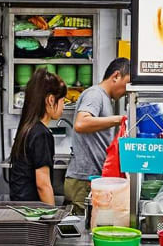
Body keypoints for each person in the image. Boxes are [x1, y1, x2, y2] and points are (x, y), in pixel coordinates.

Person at [64, 57, 131, 212]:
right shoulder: (95, 94)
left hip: (92, 178)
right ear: (116, 76)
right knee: (83, 229)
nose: (127, 90)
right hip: (83, 180)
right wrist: (119, 119)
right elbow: (81, 124)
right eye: (127, 83)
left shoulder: (106, 99)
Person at [9, 69, 67, 204]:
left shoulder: (26, 128)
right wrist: (52, 217)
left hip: (20, 208)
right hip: (33, 212)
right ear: (51, 100)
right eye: (63, 100)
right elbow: (43, 185)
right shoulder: (41, 134)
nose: (63, 106)